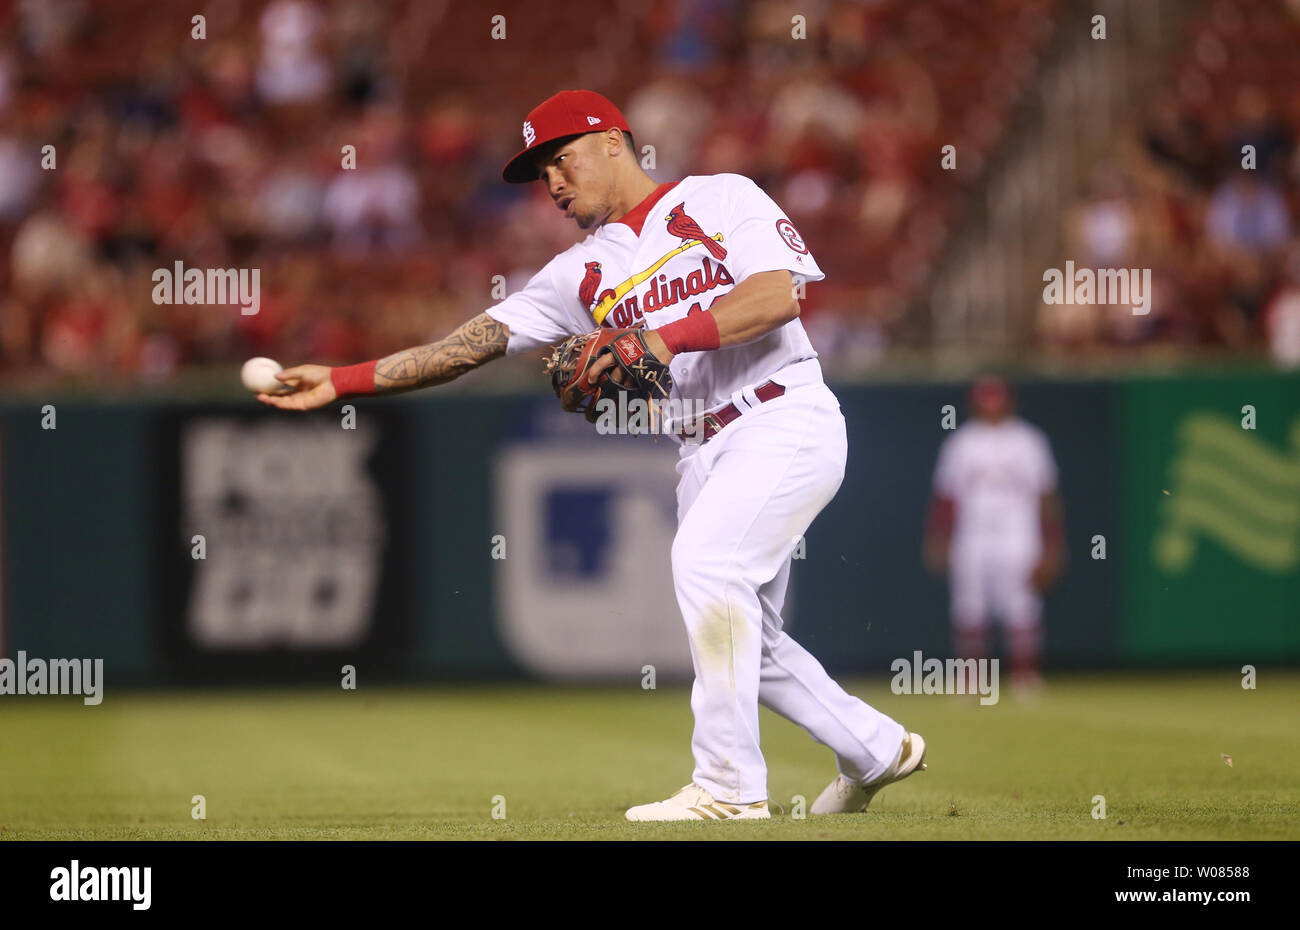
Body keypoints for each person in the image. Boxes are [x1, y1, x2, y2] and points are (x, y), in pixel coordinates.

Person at [259, 89, 925, 820]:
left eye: (561, 159)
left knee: (709, 568)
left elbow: (775, 298)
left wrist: (657, 340)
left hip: (781, 414)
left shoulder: (720, 197)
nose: (553, 183)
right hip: (699, 450)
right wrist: (342, 381)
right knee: (748, 640)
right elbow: (461, 349)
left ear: (614, 140)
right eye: (542, 173)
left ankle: (732, 788)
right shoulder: (576, 274)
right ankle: (874, 747)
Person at [924, 376, 1063, 695]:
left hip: (1019, 532)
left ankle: (1024, 678)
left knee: (1022, 605)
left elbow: (1047, 496)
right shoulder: (962, 442)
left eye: (996, 400)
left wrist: (1053, 545)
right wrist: (939, 539)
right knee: (968, 606)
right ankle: (973, 682)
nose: (991, 408)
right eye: (985, 401)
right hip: (972, 534)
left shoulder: (1029, 440)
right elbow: (946, 497)